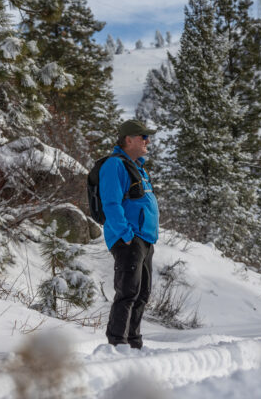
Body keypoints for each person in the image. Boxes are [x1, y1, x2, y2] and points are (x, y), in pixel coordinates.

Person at [101, 119, 159, 349]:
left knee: (142, 294)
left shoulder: (138, 167)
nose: (147, 141)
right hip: (129, 239)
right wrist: (125, 234)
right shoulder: (114, 165)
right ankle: (117, 343)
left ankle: (134, 343)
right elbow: (111, 203)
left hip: (144, 240)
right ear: (128, 139)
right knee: (127, 292)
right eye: (142, 136)